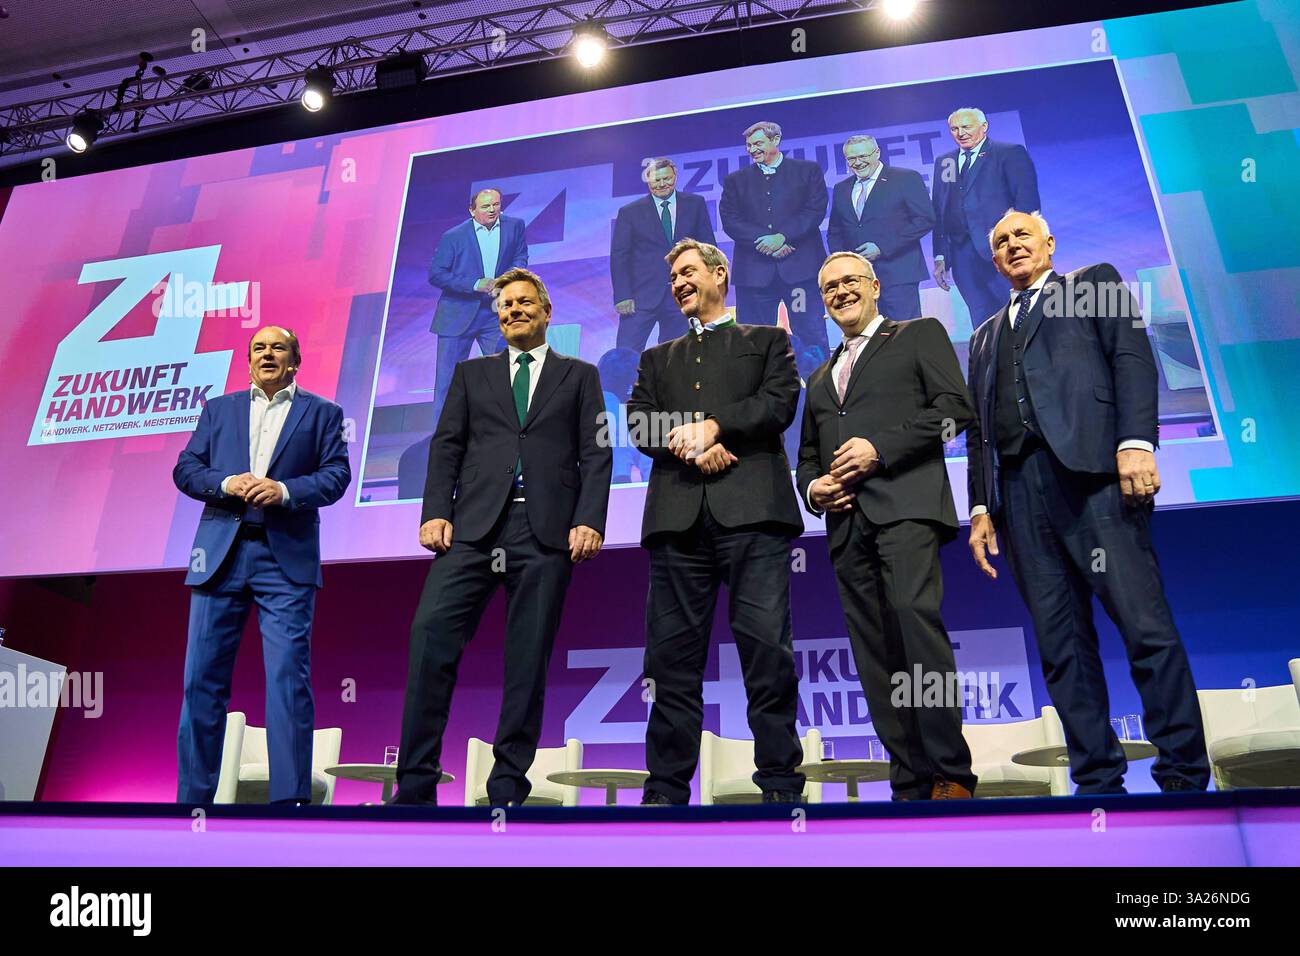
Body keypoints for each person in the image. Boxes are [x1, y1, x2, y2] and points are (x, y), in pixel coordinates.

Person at [965, 210, 1209, 794]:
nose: (1012, 245)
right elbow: (977, 430)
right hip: (1020, 497)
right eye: (1001, 242)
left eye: (1022, 234)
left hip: (1095, 477)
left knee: (1145, 628)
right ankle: (1098, 780)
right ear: (994, 261)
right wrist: (980, 508)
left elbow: (1131, 358)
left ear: (1049, 243)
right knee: (1060, 646)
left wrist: (1135, 442)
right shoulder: (984, 335)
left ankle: (1183, 776)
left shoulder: (1092, 283)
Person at [394, 267, 612, 806]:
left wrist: (590, 519)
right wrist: (433, 512)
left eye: (524, 303)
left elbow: (596, 453)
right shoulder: (473, 375)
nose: (513, 310)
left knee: (527, 659)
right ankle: (416, 784)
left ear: (546, 312)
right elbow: (447, 446)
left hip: (545, 532)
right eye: (505, 305)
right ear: (497, 316)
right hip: (471, 529)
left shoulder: (580, 375)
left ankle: (507, 786)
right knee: (429, 640)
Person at [629, 238, 806, 805]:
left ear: (719, 273)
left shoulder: (768, 341)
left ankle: (780, 785)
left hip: (753, 518)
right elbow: (639, 424)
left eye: (687, 271)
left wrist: (714, 426)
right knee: (670, 662)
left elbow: (778, 404)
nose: (678, 282)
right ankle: (665, 791)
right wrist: (693, 443)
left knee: (766, 654)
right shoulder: (657, 358)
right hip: (678, 525)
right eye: (673, 276)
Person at [797, 252, 977, 800]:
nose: (841, 292)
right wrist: (813, 489)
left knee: (913, 624)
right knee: (873, 651)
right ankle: (909, 779)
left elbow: (955, 410)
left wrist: (881, 448)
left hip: (905, 509)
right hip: (847, 527)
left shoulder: (918, 334)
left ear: (875, 285)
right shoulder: (821, 375)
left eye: (850, 281)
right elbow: (808, 455)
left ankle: (950, 773)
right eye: (830, 287)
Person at [174, 326, 351, 805]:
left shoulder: (324, 413)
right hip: (220, 558)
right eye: (258, 347)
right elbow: (186, 469)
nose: (266, 353)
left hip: (284, 560)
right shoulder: (219, 409)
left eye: (277, 347)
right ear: (248, 360)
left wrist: (286, 491)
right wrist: (228, 482)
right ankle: (193, 801)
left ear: (295, 360)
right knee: (202, 681)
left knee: (288, 681)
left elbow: (337, 476)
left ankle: (289, 802)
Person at [720, 121, 830, 356]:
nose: (752, 149)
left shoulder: (807, 171)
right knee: (754, 339)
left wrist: (784, 237)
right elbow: (730, 219)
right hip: (755, 277)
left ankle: (818, 388)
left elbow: (815, 210)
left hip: (800, 275)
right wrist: (765, 241)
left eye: (757, 143)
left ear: (776, 141)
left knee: (810, 334)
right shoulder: (735, 180)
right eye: (748, 145)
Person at [931, 108, 1040, 335]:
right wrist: (940, 255)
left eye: (966, 127)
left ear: (984, 127)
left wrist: (1018, 244)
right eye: (954, 128)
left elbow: (1027, 203)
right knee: (982, 320)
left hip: (1001, 250)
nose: (961, 133)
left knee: (1019, 311)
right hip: (962, 256)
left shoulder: (1008, 153)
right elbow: (940, 209)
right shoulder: (945, 163)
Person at [428, 188, 529, 423]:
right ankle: (443, 440)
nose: (492, 210)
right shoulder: (453, 236)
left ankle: (514, 432)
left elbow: (520, 257)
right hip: (457, 316)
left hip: (495, 314)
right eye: (485, 207)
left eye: (496, 204)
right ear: (472, 210)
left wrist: (506, 281)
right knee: (448, 382)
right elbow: (436, 274)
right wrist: (475, 284)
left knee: (508, 374)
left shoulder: (514, 226)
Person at [826, 135, 936, 323]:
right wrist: (845, 262)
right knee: (869, 335)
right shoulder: (841, 188)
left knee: (904, 333)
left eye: (863, 156)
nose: (858, 163)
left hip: (898, 274)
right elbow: (835, 231)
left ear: (877, 153)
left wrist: (882, 247)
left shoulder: (905, 178)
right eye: (851, 159)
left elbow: (925, 219)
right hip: (858, 281)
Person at [610, 157, 717, 352]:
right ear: (648, 181)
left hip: (683, 294)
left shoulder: (695, 204)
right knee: (626, 353)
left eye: (666, 178)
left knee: (678, 354)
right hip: (640, 297)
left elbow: (707, 247)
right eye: (656, 180)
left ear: (675, 177)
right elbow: (620, 256)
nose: (662, 184)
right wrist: (622, 295)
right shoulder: (629, 212)